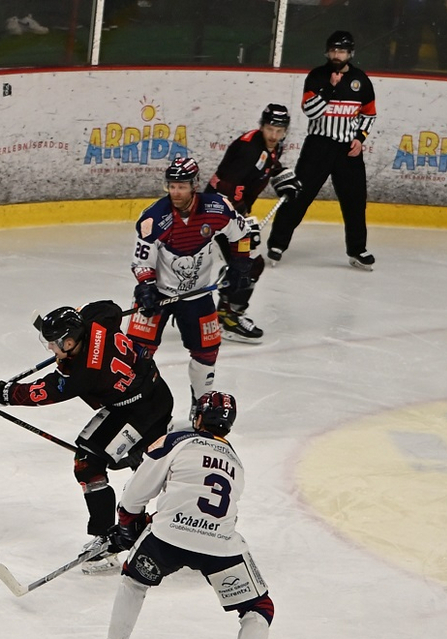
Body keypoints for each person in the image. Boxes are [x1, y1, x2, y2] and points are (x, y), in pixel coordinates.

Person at [94, 391, 283, 639]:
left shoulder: (177, 441)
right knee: (259, 608)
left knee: (133, 580)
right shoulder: (235, 462)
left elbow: (135, 495)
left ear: (197, 417)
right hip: (219, 546)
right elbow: (219, 514)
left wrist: (129, 525)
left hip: (166, 538)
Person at [0, 301, 173, 573]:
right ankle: (173, 506)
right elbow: (111, 309)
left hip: (138, 411)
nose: (50, 349)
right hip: (154, 392)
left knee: (88, 462)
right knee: (148, 465)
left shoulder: (85, 374)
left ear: (70, 342)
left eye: (55, 344)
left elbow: (42, 392)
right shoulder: (97, 321)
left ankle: (106, 542)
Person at [127, 156, 255, 412]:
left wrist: (241, 262)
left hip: (198, 295)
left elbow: (242, 235)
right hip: (159, 294)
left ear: (194, 184)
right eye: (172, 186)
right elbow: (141, 261)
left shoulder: (218, 208)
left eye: (182, 186)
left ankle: (201, 404)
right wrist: (146, 286)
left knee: (207, 353)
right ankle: (133, 405)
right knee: (136, 353)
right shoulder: (154, 218)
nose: (175, 192)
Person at [265, 30, 378, 271]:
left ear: (350, 53)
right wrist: (329, 89)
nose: (337, 55)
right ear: (327, 52)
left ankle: (357, 250)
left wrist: (360, 137)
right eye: (333, 50)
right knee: (298, 196)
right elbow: (310, 110)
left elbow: (369, 114)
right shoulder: (317, 77)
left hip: (348, 150)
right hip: (319, 146)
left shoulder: (361, 81)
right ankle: (277, 244)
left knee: (355, 201)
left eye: (342, 51)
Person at [204, 103, 303, 344]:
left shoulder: (270, 146)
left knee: (247, 264)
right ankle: (229, 318)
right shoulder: (248, 149)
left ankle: (227, 310)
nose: (274, 135)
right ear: (262, 127)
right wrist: (241, 222)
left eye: (280, 131)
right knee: (249, 264)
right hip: (219, 213)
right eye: (270, 129)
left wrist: (283, 177)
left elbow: (269, 165)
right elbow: (227, 188)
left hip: (230, 213)